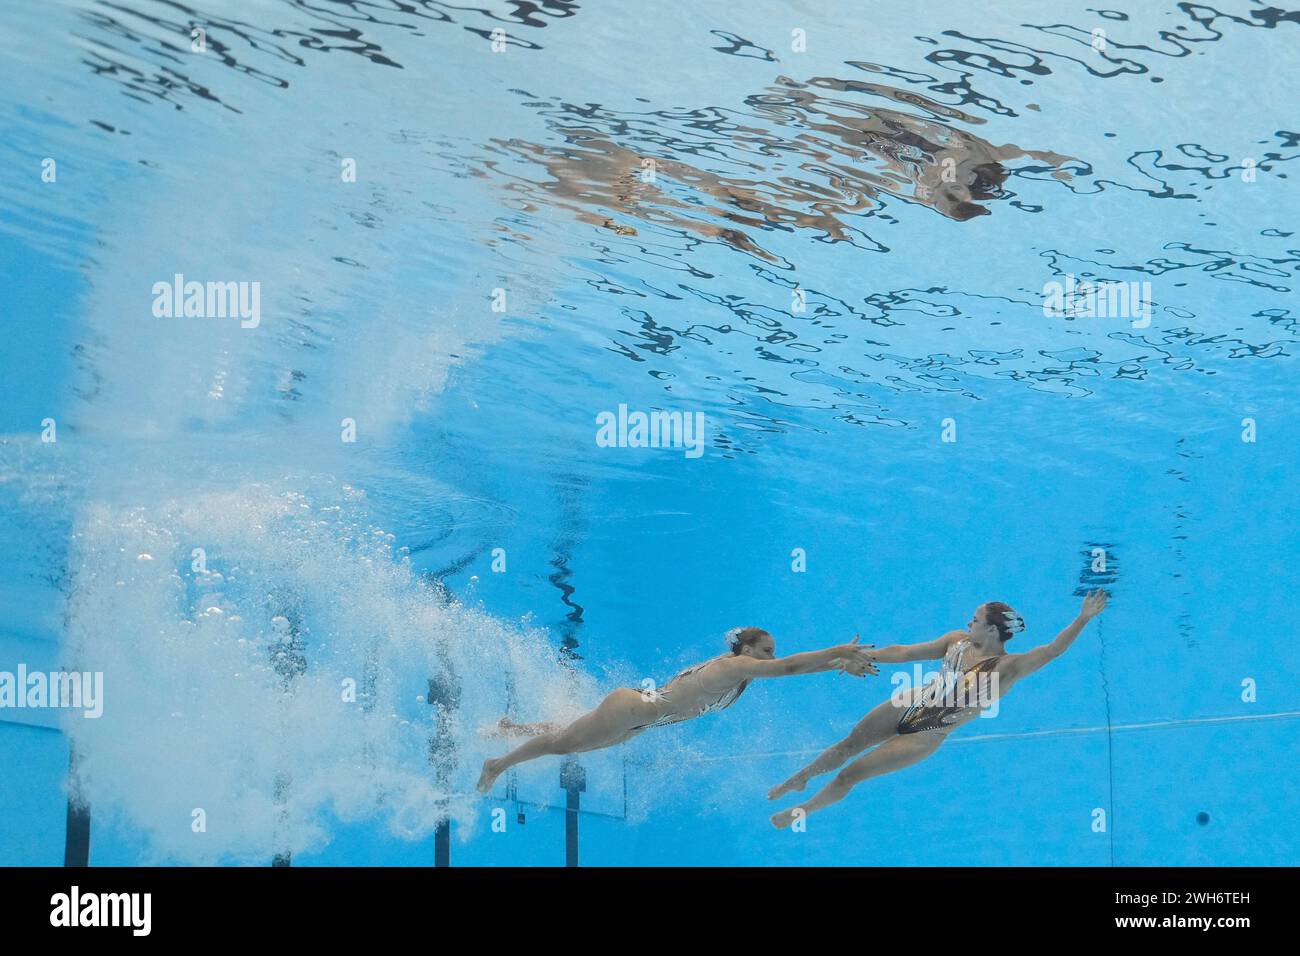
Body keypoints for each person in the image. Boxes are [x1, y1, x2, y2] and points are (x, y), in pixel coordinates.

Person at [769, 589, 1109, 827]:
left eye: (974, 619)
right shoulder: (955, 641)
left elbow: (1052, 651)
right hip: (909, 702)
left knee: (851, 774)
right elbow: (904, 652)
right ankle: (801, 778)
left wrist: (1082, 619)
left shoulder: (1009, 667)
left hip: (927, 734)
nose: (968, 623)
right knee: (847, 745)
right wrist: (861, 655)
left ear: (991, 629)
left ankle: (803, 810)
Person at [477, 627, 878, 793]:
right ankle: (497, 764)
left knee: (572, 737)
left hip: (640, 721)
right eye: (767, 651)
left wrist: (838, 664)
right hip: (633, 710)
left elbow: (788, 667)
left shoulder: (745, 675)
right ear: (747, 649)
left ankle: (512, 726)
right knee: (564, 744)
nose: (773, 657)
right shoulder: (735, 666)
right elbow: (789, 668)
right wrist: (837, 651)